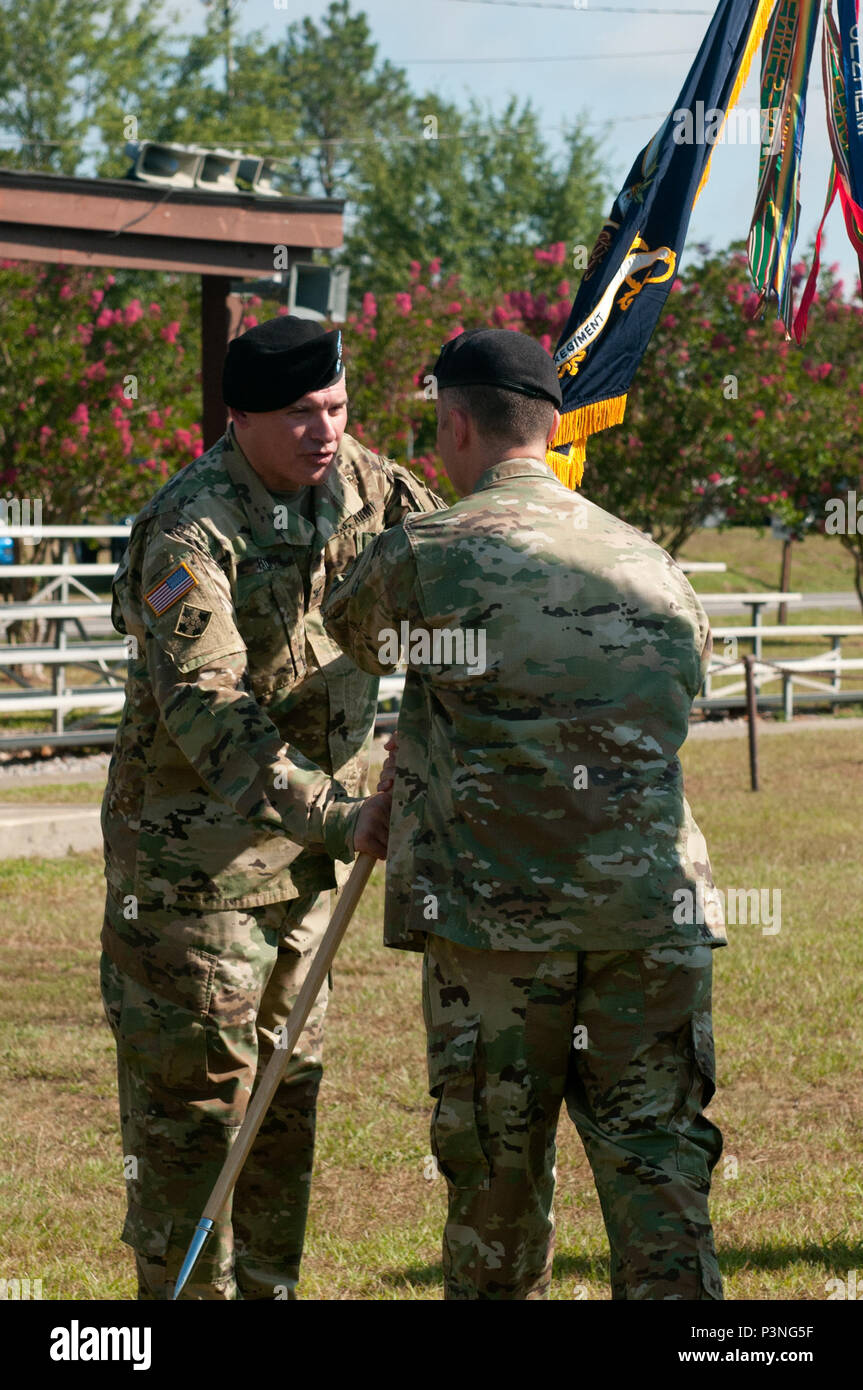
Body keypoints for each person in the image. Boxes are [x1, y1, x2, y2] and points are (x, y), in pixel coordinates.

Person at [322, 327, 728, 1301]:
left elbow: (350, 623)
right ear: (549, 428)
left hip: (501, 932)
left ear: (454, 425)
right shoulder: (652, 565)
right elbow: (681, 685)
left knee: (497, 1195)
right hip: (649, 918)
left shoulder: (426, 555)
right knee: (660, 1181)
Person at [99, 314, 442, 1300]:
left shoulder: (374, 489)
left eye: (335, 406)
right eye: (297, 414)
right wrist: (340, 813)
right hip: (190, 881)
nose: (323, 431)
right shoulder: (191, 525)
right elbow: (208, 710)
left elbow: (455, 584)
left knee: (285, 1112)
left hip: (307, 877)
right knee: (196, 1126)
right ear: (237, 416)